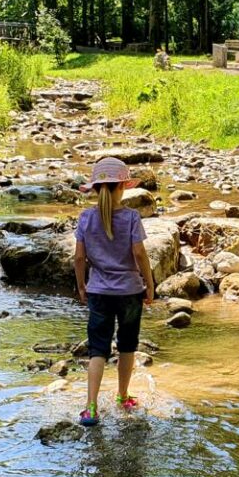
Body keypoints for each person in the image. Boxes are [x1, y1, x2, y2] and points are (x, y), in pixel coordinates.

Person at [73, 157, 156, 426]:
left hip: (99, 291)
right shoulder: (131, 217)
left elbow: (78, 258)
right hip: (130, 291)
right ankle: (122, 397)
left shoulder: (86, 217)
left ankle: (91, 407)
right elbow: (139, 253)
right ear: (123, 186)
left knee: (98, 349)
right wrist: (150, 284)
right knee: (127, 345)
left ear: (96, 188)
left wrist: (81, 286)